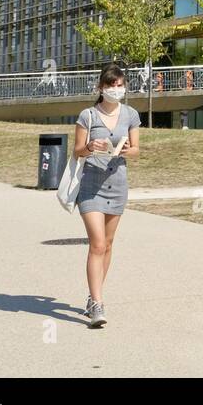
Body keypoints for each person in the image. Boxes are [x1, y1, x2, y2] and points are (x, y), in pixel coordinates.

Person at [72, 63, 141, 329]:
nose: (116, 89)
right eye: (111, 85)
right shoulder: (87, 115)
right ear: (101, 87)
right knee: (97, 244)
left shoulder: (131, 114)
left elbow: (137, 150)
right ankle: (98, 306)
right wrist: (90, 146)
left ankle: (94, 295)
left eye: (120, 85)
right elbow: (77, 150)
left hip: (118, 184)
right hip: (91, 187)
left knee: (109, 244)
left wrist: (123, 150)